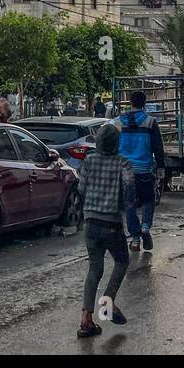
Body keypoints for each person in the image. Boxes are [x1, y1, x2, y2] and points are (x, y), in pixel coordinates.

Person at [76, 122, 134, 339]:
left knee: (94, 269)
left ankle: (86, 319)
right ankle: (108, 301)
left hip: (90, 222)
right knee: (121, 261)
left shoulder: (89, 161)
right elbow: (129, 191)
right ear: (116, 143)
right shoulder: (123, 163)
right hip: (112, 224)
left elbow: (81, 188)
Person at [115, 90, 165, 251]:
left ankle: (135, 239)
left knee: (129, 204)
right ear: (144, 103)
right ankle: (145, 227)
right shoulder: (150, 121)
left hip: (124, 170)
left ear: (130, 102)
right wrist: (161, 167)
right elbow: (158, 147)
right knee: (148, 201)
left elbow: (112, 145)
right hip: (144, 169)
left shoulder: (118, 122)